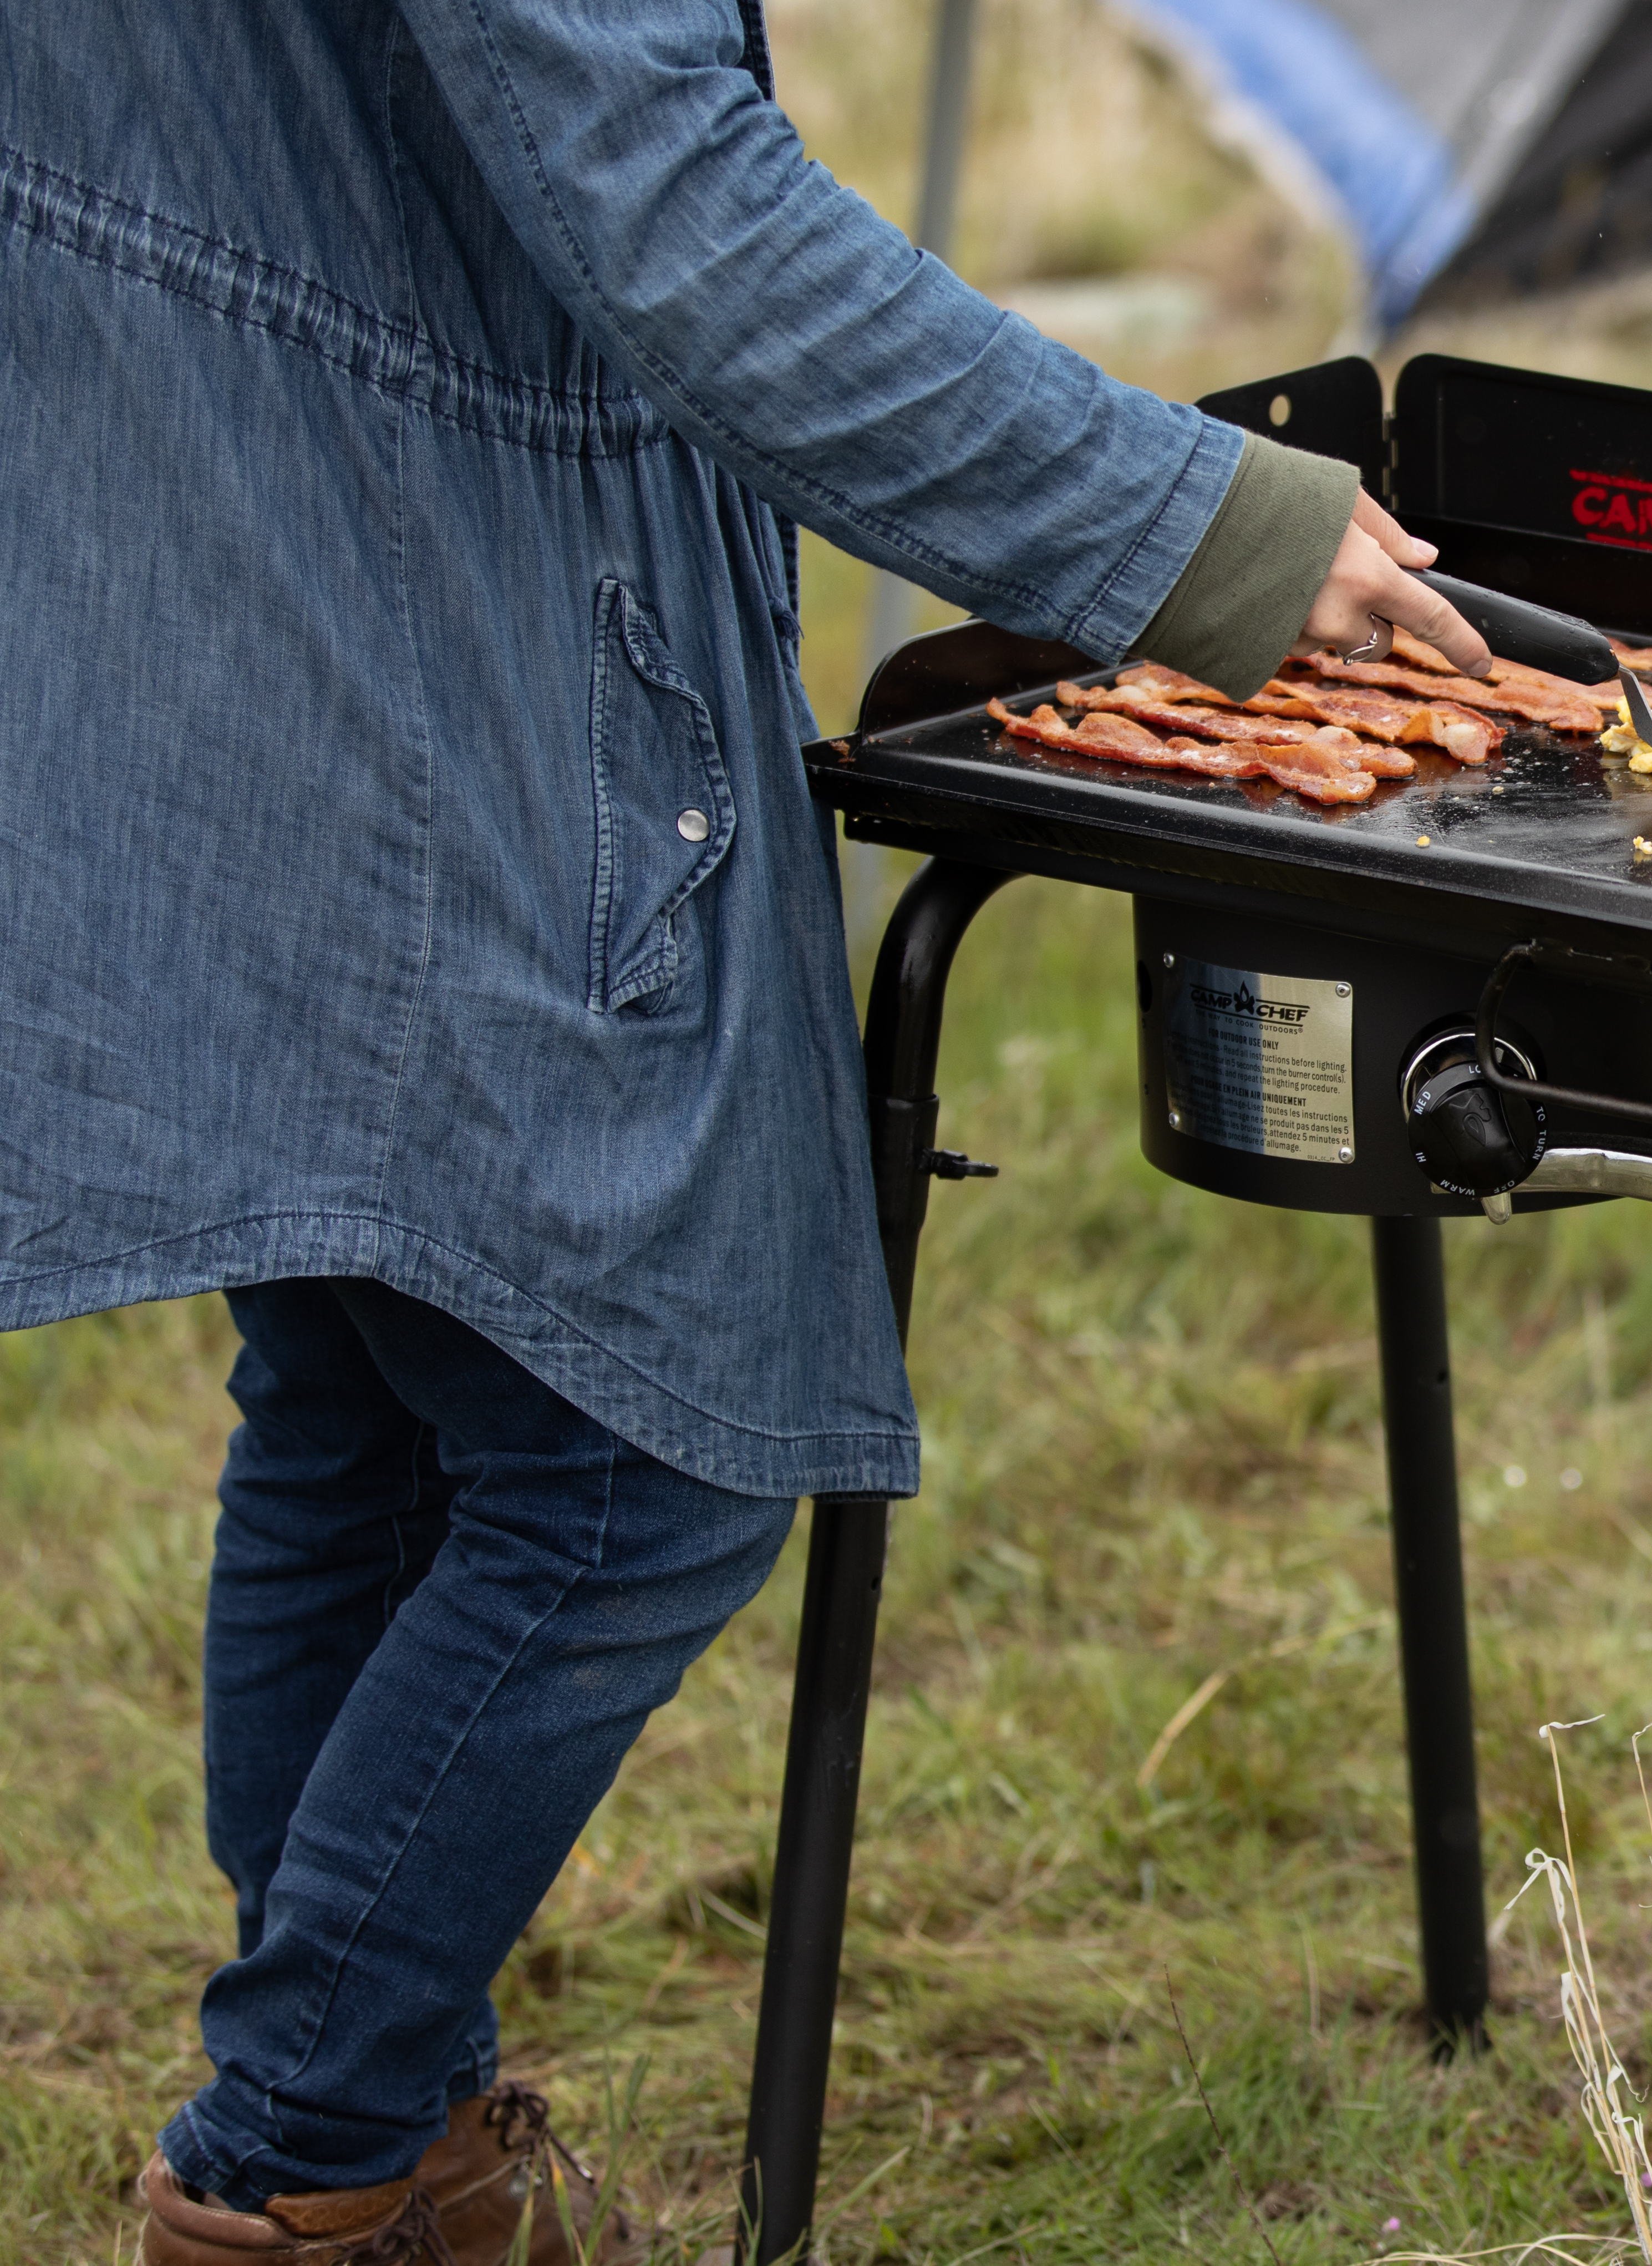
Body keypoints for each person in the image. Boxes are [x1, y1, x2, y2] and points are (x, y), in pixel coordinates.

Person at [0, 3, 1488, 2258]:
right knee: (636, 1467)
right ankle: (299, 2154)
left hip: (198, 484)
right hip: (397, 552)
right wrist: (1205, 532)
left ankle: (382, 2129)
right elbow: (684, 220)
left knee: (363, 1374)